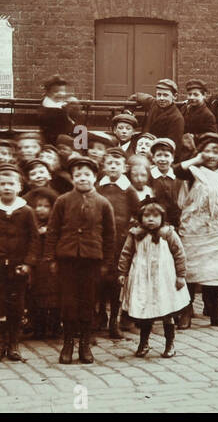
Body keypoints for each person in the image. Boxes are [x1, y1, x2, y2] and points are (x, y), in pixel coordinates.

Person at [43, 155, 115, 365]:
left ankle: (84, 344)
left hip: (92, 261)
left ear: (95, 177)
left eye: (87, 174)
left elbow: (109, 236)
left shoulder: (103, 203)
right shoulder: (63, 201)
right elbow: (53, 231)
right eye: (77, 175)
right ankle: (68, 343)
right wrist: (51, 258)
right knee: (68, 303)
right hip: (67, 260)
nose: (82, 178)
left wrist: (106, 263)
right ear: (72, 178)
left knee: (87, 302)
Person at [0, 164, 39, 362]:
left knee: (17, 304)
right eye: (2, 184)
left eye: (11, 184)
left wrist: (28, 263)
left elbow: (34, 239)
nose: (7, 187)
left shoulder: (26, 211)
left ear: (19, 187)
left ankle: (13, 343)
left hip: (18, 267)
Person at [174, 133, 218, 328]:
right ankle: (186, 312)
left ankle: (215, 313)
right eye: (206, 151)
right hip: (193, 229)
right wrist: (196, 159)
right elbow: (177, 170)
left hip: (216, 230)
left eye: (215, 151)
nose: (210, 155)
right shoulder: (192, 170)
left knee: (215, 273)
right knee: (190, 271)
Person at [118, 197, 189, 358]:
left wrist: (180, 276)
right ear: (140, 218)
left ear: (162, 218)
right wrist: (122, 273)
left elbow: (179, 254)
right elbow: (126, 254)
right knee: (145, 312)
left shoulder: (168, 234)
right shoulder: (135, 234)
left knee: (166, 312)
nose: (151, 219)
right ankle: (144, 343)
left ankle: (169, 344)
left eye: (155, 216)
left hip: (164, 279)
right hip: (142, 278)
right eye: (147, 216)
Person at [95, 147, 136, 339]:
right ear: (103, 166)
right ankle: (100, 315)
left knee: (116, 282)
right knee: (99, 279)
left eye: (117, 163)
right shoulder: (98, 187)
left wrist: (131, 231)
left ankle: (114, 321)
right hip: (99, 240)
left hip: (119, 242)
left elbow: (138, 213)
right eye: (109, 163)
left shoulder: (128, 190)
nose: (113, 167)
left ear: (125, 167)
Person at [24, 187, 61, 340]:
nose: (41, 210)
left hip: (51, 265)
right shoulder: (30, 224)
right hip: (36, 265)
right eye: (38, 206)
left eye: (46, 206)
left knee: (54, 298)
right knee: (35, 297)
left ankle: (54, 326)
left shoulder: (57, 225)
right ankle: (37, 326)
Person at [147, 138, 182, 230]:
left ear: (172, 158)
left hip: (177, 224)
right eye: (159, 155)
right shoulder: (148, 176)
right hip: (153, 223)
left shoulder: (179, 177)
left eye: (166, 155)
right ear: (153, 158)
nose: (162, 159)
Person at [181, 79, 217, 154]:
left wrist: (194, 137)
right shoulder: (185, 108)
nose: (191, 97)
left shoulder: (208, 115)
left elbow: (211, 136)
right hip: (183, 148)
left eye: (196, 95)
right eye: (189, 94)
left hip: (198, 151)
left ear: (204, 95)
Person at [145, 79, 185, 146]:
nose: (161, 98)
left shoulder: (177, 118)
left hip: (160, 151)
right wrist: (128, 110)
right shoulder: (153, 104)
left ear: (175, 96)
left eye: (165, 95)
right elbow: (137, 96)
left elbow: (172, 144)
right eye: (159, 94)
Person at [38, 74, 74, 145]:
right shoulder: (49, 108)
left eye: (63, 91)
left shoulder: (60, 105)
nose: (61, 94)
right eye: (56, 91)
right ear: (48, 93)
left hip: (63, 137)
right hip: (54, 140)